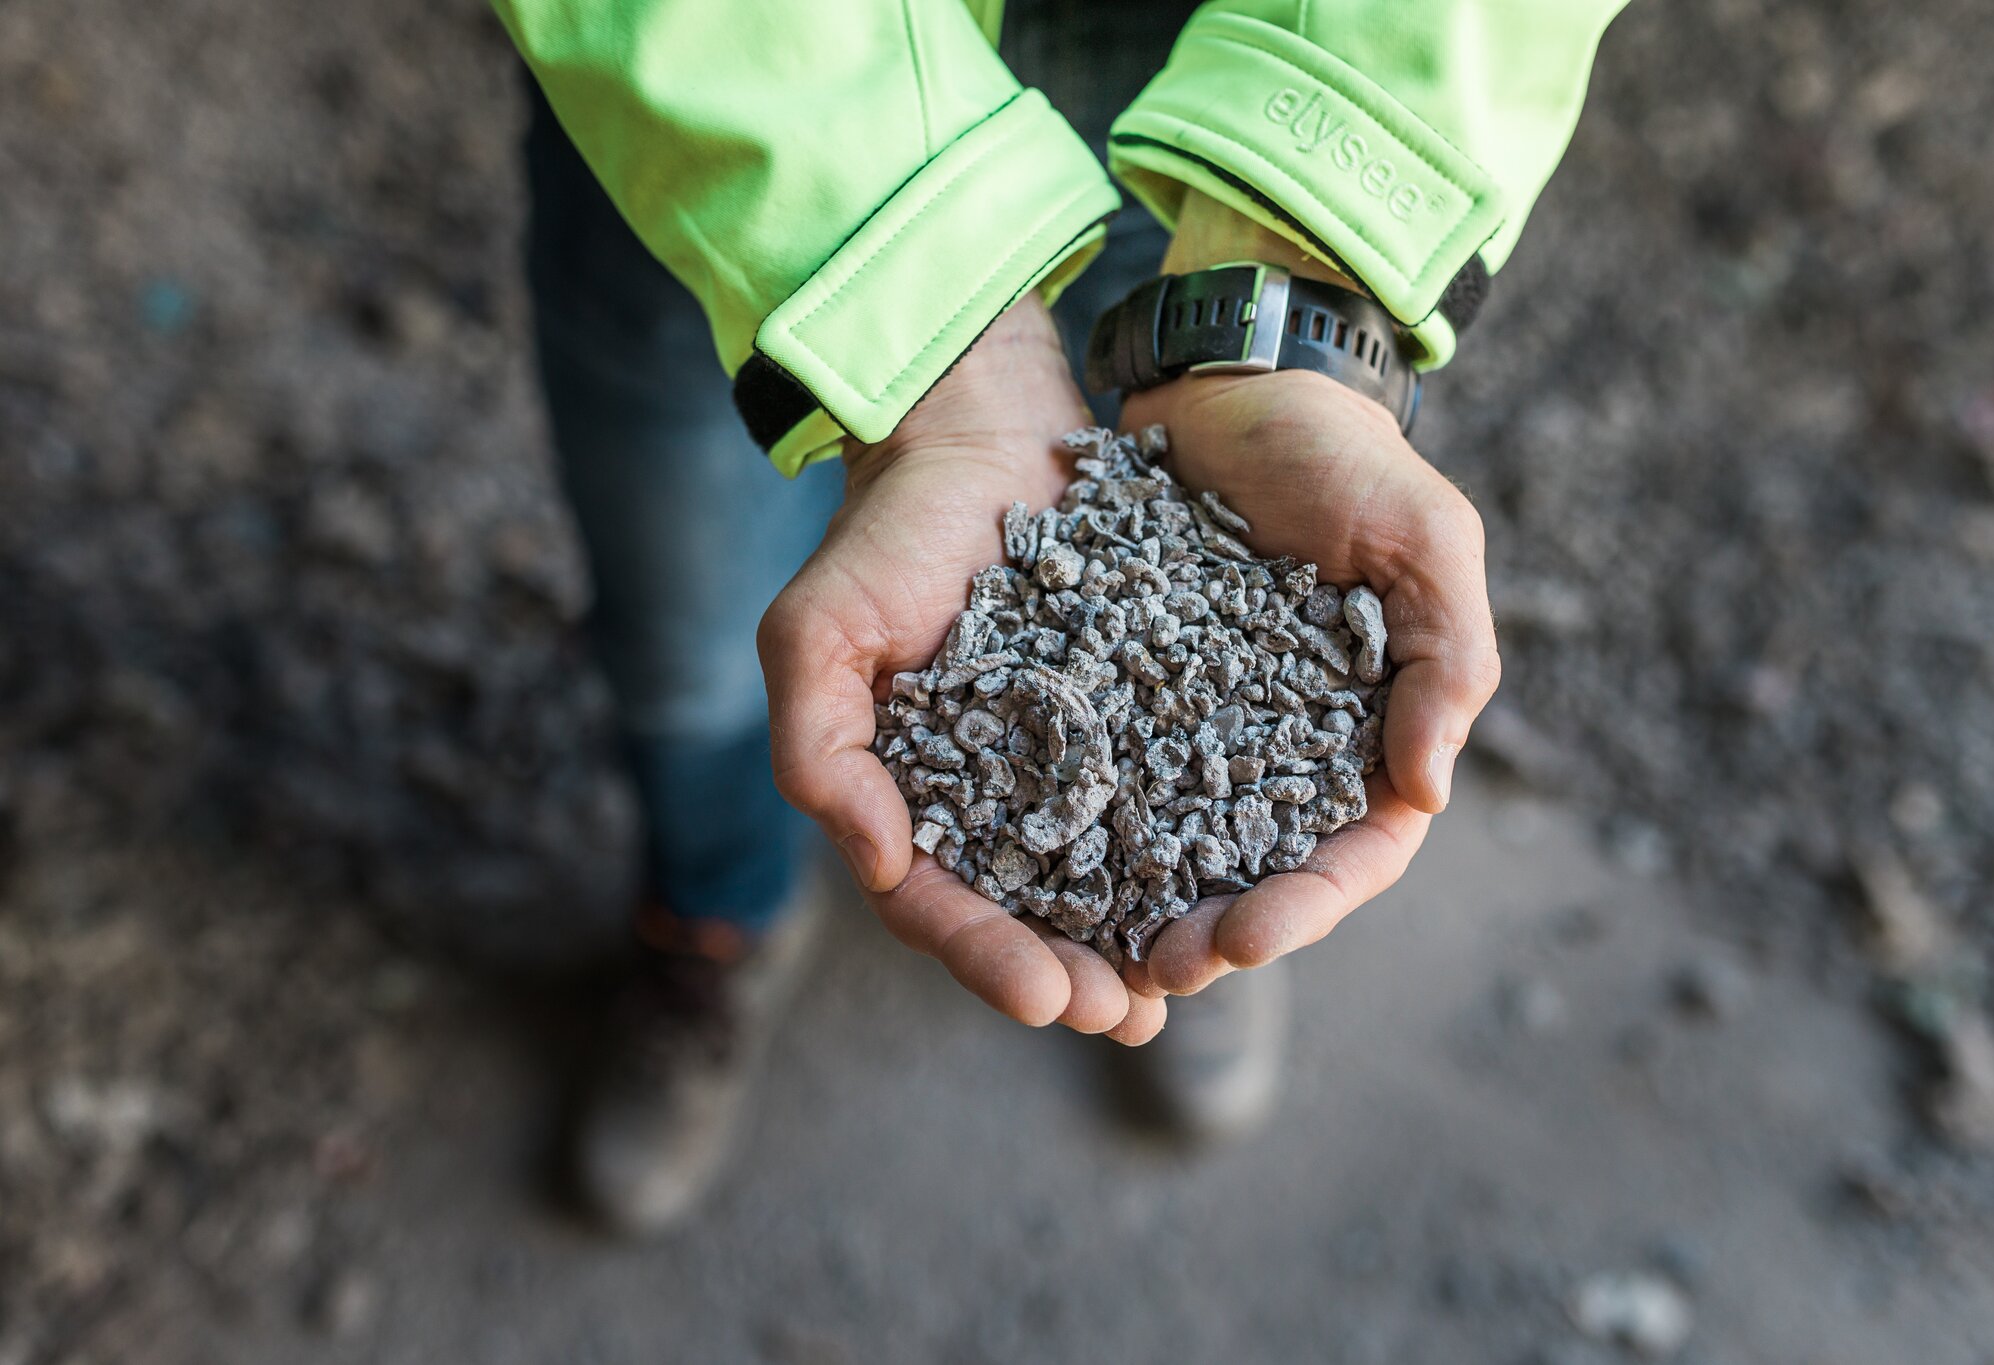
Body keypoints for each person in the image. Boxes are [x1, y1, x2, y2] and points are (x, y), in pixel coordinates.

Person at [499, 0, 1626, 1234]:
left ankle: (1196, 926)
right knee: (689, 645)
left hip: (1216, 76)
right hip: (719, 128)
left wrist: (1301, 241)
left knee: (1172, 376)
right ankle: (711, 918)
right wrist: (905, 299)